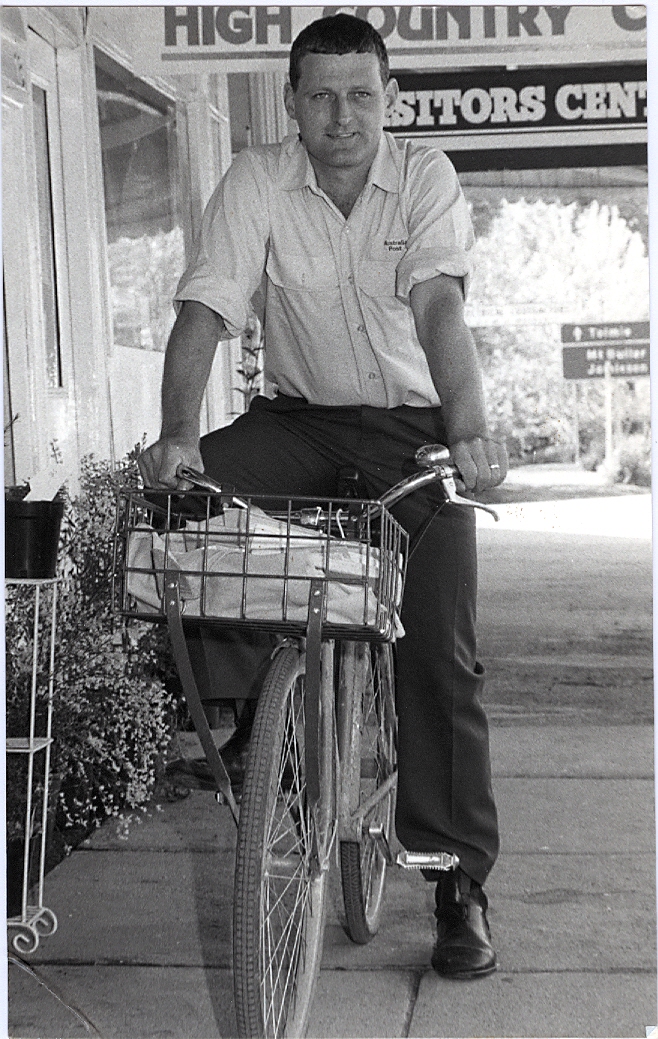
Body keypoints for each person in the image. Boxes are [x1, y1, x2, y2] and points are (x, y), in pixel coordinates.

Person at [138, 13, 508, 980]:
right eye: (319, 95)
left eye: (359, 93)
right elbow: (208, 303)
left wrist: (466, 425)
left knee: (439, 654)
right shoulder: (260, 177)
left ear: (388, 99)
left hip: (413, 430)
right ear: (294, 103)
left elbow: (437, 301)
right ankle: (248, 715)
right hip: (298, 422)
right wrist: (179, 433)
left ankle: (456, 879)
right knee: (193, 510)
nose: (340, 114)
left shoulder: (423, 178)